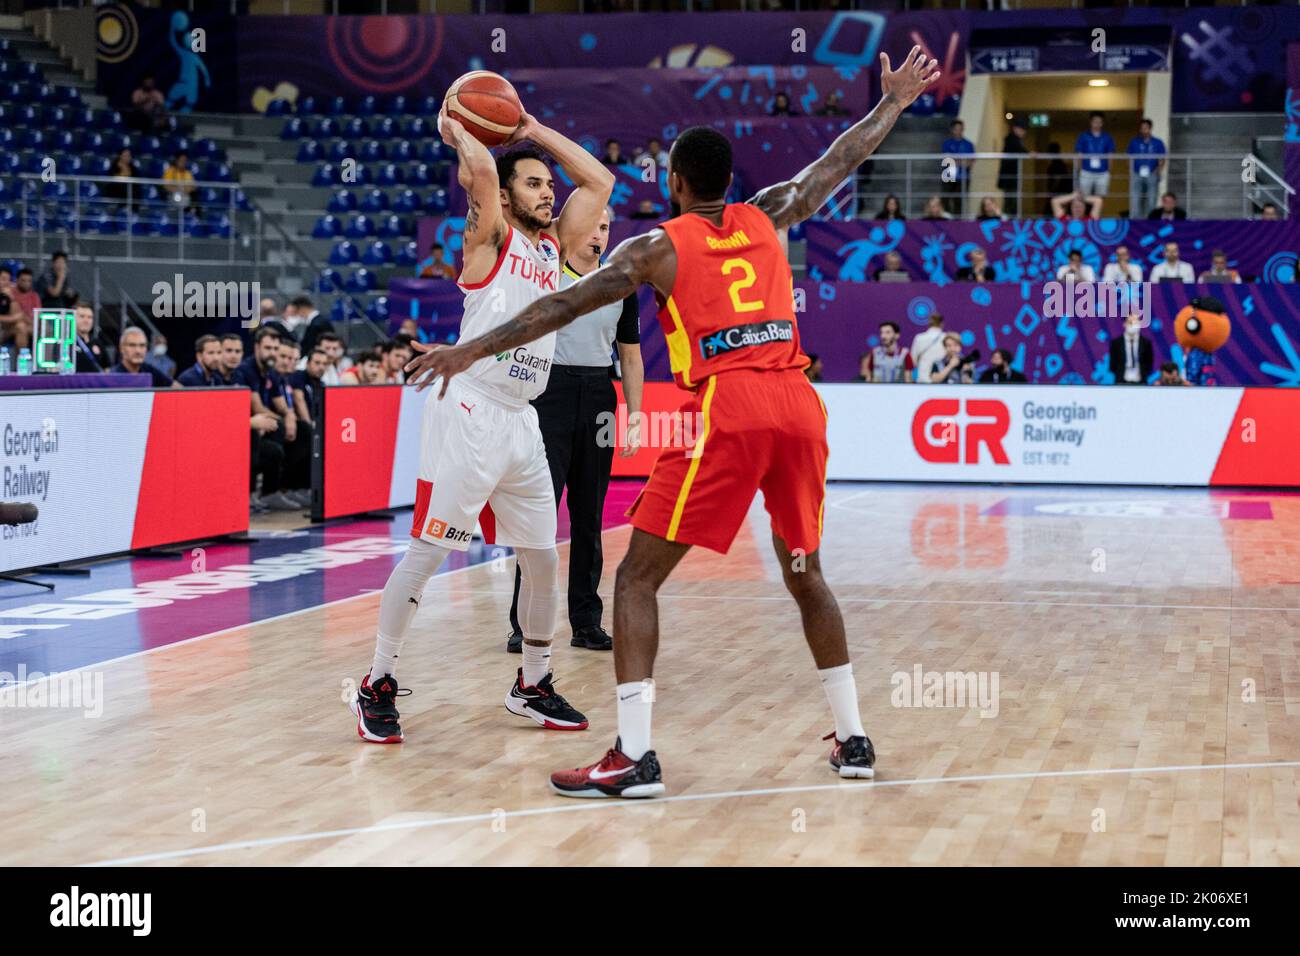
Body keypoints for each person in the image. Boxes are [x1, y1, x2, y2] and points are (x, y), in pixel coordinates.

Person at [404, 45, 942, 795]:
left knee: (637, 581)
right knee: (805, 573)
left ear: (676, 182)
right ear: (728, 182)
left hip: (732, 406)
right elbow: (835, 162)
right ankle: (854, 740)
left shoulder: (653, 247)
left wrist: (471, 349)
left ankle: (633, 754)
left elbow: (560, 305)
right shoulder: (770, 212)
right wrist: (892, 103)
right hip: (800, 405)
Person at [347, 96, 615, 745]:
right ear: (509, 193)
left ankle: (533, 683)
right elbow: (485, 180)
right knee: (429, 552)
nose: (549, 191)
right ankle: (377, 682)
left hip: (522, 418)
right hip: (468, 408)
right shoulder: (490, 238)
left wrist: (532, 131)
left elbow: (599, 182)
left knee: (544, 560)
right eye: (535, 182)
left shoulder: (556, 250)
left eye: (549, 184)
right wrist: (466, 132)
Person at [505, 206, 645, 655]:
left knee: (590, 516)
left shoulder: (621, 283)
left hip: (600, 395)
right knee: (538, 515)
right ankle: (522, 624)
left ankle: (586, 621)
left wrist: (636, 414)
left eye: (605, 226)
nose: (598, 234)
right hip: (551, 392)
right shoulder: (547, 274)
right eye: (590, 224)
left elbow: (631, 356)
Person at [109, 326, 178, 387]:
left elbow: (180, 389)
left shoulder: (150, 371)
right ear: (121, 348)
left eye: (142, 345)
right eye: (132, 345)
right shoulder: (112, 375)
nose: (138, 351)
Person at [1126, 118, 1165, 220]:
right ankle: (1136, 221)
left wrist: (1157, 171)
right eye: (1142, 128)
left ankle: (1150, 221)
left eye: (1146, 128)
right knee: (1135, 199)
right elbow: (1129, 158)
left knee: (1151, 199)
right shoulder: (1134, 142)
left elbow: (1161, 159)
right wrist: (1130, 172)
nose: (1144, 130)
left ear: (1150, 128)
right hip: (1136, 173)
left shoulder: (1158, 142)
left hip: (1152, 173)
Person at [1075, 111, 1115, 200]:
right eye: (1095, 121)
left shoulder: (1107, 137)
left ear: (1102, 123)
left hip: (1102, 172)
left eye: (1099, 122)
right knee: (1083, 198)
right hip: (1086, 171)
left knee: (1100, 199)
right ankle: (1085, 214)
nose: (1097, 124)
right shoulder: (1083, 136)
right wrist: (1080, 170)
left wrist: (1109, 171)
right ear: (1091, 122)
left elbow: (1110, 155)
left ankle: (1097, 214)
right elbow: (1079, 154)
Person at [939, 119, 974, 216]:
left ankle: (958, 223)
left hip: (963, 177)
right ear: (952, 130)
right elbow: (946, 161)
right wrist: (961, 161)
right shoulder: (947, 144)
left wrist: (954, 160)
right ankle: (947, 220)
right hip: (949, 176)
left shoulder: (969, 144)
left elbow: (970, 162)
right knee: (945, 200)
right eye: (956, 129)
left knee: (959, 201)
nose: (958, 131)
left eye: (961, 129)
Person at [1108, 313, 1154, 385]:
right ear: (1125, 324)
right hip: (1121, 381)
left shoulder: (1146, 343)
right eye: (1130, 322)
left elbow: (1149, 363)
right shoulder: (1116, 343)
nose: (1133, 325)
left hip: (1141, 382)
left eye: (1136, 322)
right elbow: (1113, 364)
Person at [997, 116, 1029, 216]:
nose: (1024, 133)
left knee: (1011, 200)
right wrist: (1028, 153)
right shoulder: (1011, 139)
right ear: (1016, 129)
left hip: (1010, 176)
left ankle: (1009, 218)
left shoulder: (1014, 139)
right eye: (1022, 130)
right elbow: (1018, 149)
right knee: (1011, 201)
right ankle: (1009, 220)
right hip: (1009, 177)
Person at [72, 302, 109, 372]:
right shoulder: (66, 343)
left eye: (89, 317)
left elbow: (106, 368)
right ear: (73, 318)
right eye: (82, 316)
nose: (86, 321)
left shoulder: (97, 342)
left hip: (96, 382)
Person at [910, 312, 947, 381]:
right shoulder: (946, 337)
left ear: (928, 323)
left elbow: (913, 361)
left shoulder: (919, 338)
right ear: (941, 324)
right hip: (942, 380)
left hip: (923, 378)